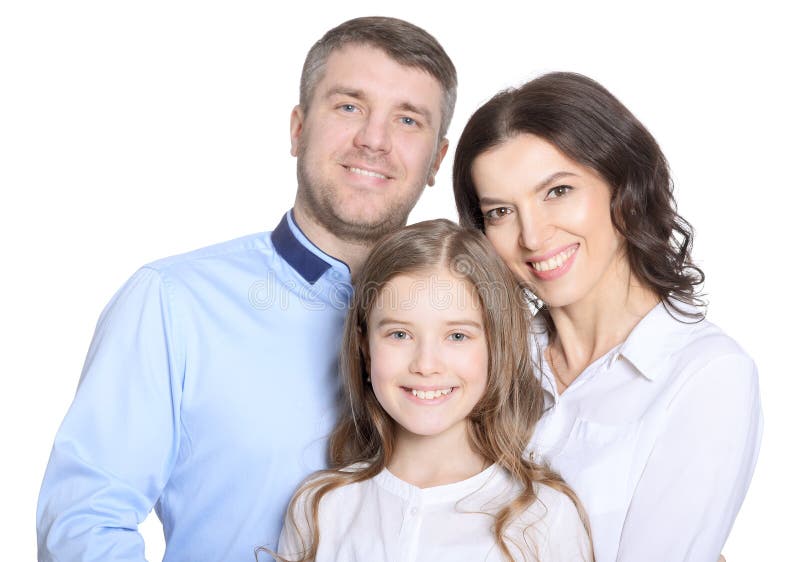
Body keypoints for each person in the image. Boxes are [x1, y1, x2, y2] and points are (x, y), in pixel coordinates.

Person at [36, 17, 455, 561]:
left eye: (407, 119)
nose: (374, 140)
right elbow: (83, 520)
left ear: (437, 161)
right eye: (349, 106)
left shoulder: (474, 324)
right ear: (298, 128)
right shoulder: (172, 304)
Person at [452, 72, 762, 562]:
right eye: (500, 212)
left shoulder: (705, 375)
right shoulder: (481, 357)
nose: (532, 236)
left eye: (557, 191)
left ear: (624, 187)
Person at [273, 219, 593, 562]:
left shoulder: (543, 516)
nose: (426, 365)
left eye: (457, 336)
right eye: (399, 334)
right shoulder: (322, 507)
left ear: (495, 348)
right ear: (365, 350)